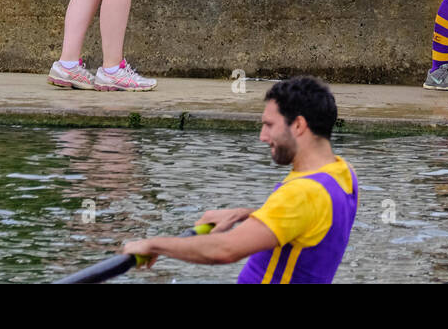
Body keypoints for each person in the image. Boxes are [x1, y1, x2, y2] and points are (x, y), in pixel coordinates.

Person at [122, 76, 357, 283]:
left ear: (298, 125)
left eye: (269, 125)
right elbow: (310, 219)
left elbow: (226, 250)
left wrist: (154, 245)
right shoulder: (342, 172)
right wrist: (244, 214)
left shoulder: (302, 194)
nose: (262, 137)